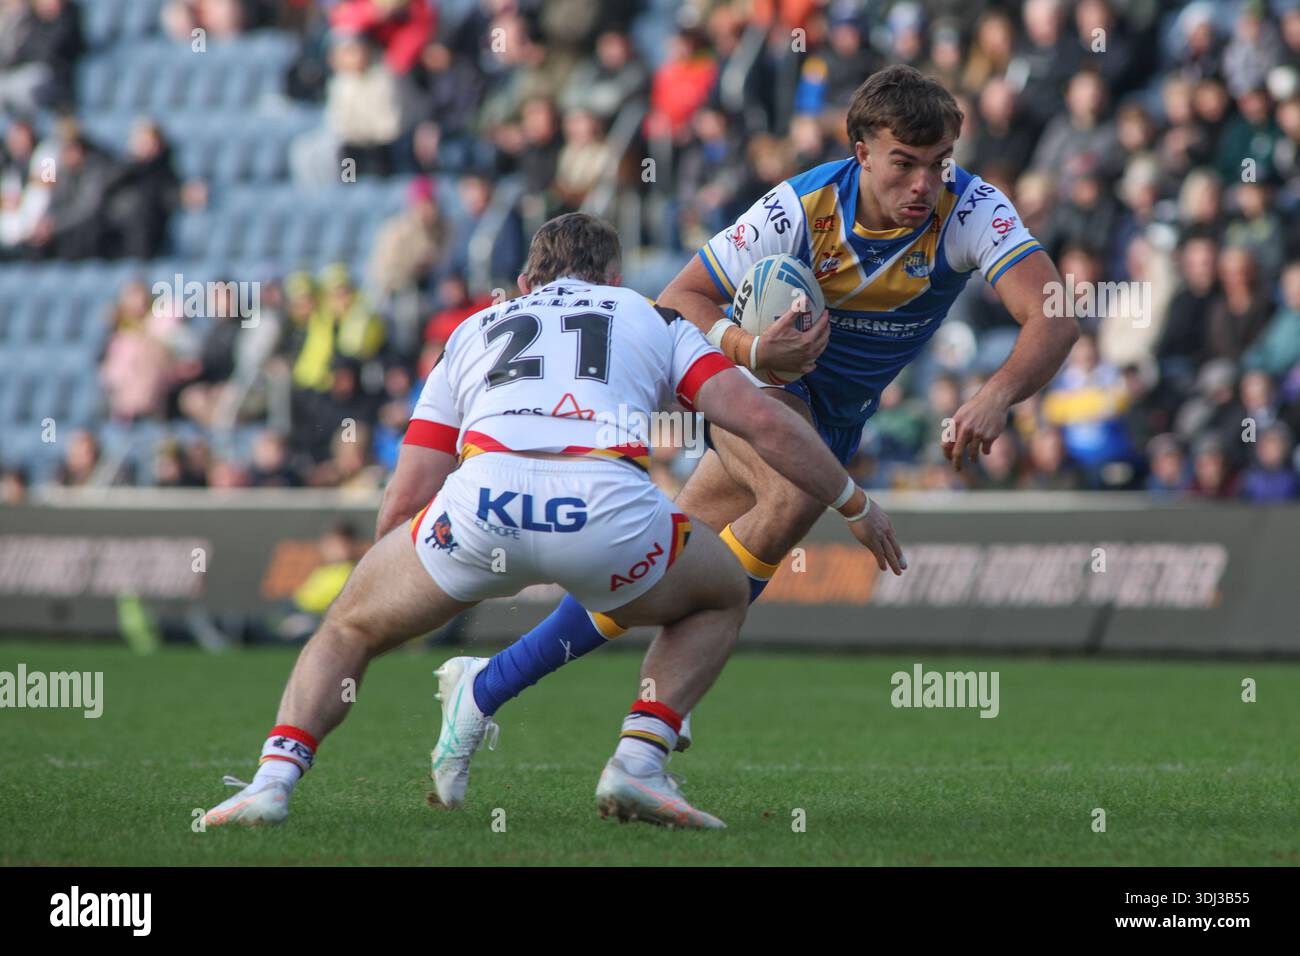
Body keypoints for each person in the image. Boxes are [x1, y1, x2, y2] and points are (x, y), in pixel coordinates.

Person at [431, 64, 1078, 799]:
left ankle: (483, 686)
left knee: (650, 570)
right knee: (792, 499)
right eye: (904, 164)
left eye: (938, 165)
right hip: (756, 388)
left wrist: (997, 394)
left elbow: (1054, 312)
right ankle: (645, 745)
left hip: (837, 419)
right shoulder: (802, 207)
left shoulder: (970, 209)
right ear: (861, 152)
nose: (924, 185)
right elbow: (680, 298)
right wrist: (750, 350)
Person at [203, 213, 902, 830]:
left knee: (347, 628)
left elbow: (410, 490)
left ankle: (273, 781)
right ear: (616, 275)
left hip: (480, 506)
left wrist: (397, 579)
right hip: (605, 511)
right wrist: (854, 504)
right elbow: (757, 420)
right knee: (720, 592)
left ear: (523, 279)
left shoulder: (476, 326)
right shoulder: (648, 314)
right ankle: (639, 758)